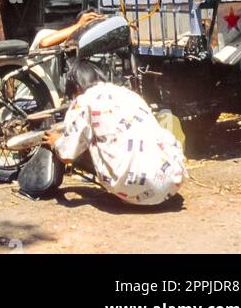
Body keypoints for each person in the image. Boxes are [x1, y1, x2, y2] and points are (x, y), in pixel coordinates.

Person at [46, 60, 186, 206]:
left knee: (82, 142)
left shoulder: (83, 101)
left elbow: (67, 155)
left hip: (136, 191)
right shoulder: (129, 94)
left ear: (76, 87)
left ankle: (127, 188)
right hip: (172, 181)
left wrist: (56, 142)